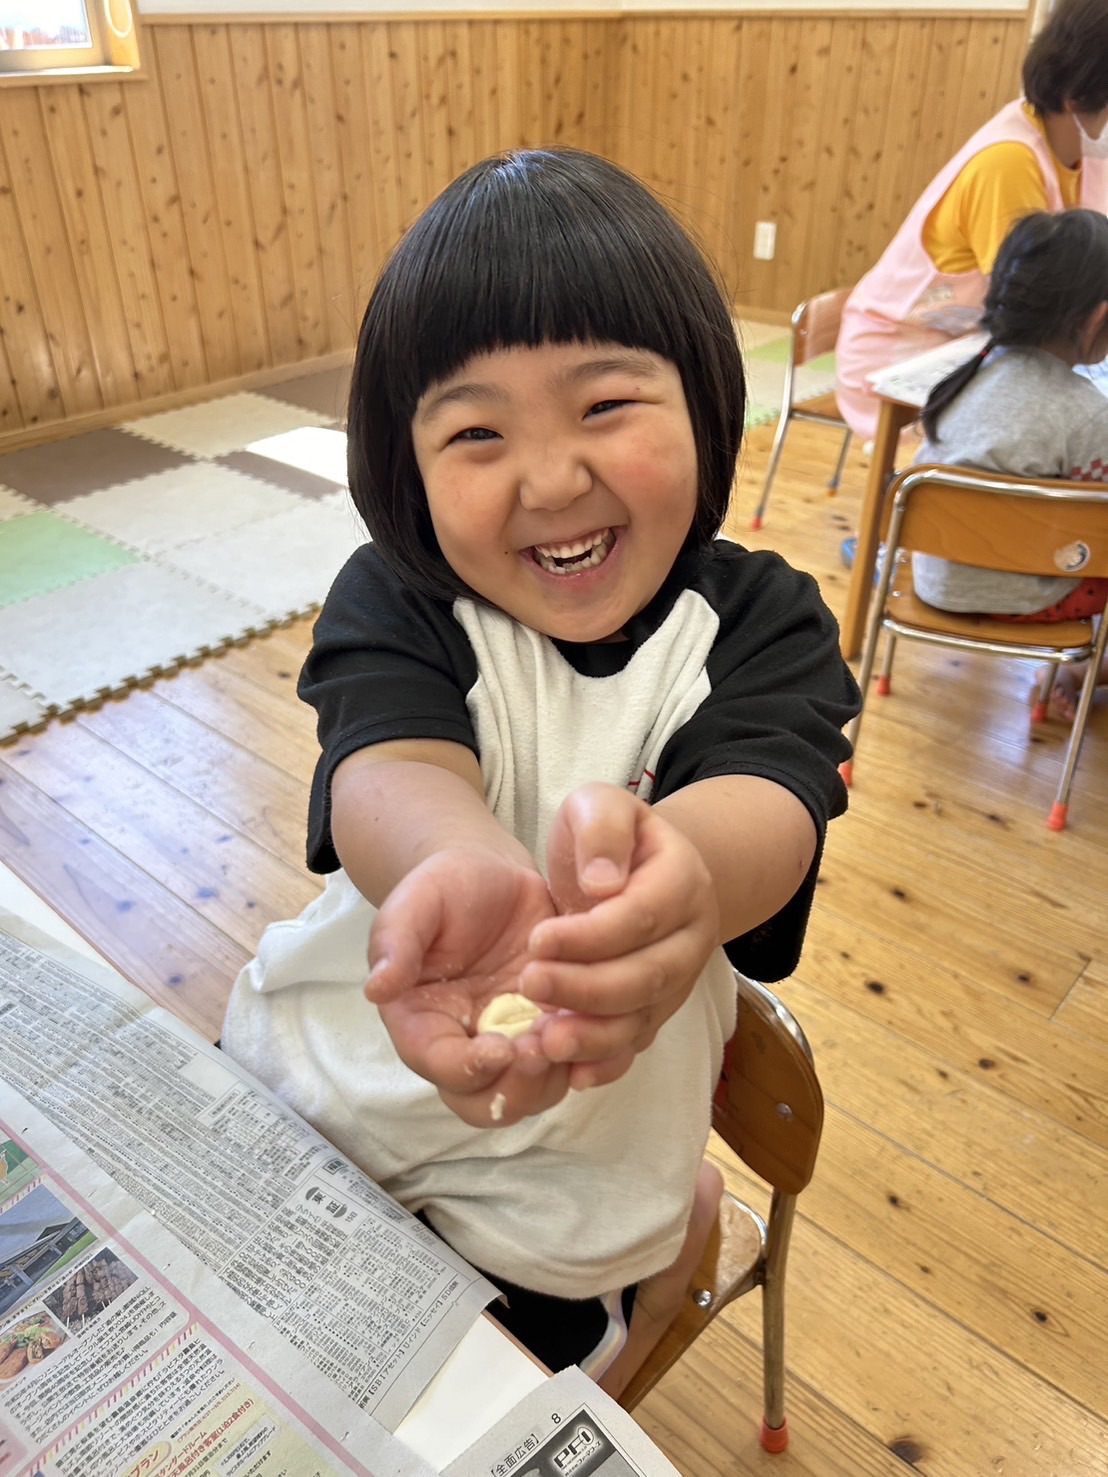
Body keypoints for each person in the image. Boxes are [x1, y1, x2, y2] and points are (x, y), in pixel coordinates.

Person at [221, 147, 860, 1394]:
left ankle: (656, 1272)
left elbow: (770, 797)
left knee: (495, 1406)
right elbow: (386, 764)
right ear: (406, 465)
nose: (551, 476)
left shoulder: (761, 623)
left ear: (707, 405)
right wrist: (458, 860)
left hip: (573, 1163)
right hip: (344, 1075)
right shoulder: (398, 598)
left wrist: (684, 875)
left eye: (605, 406)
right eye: (476, 431)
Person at [836, 0, 1108, 444]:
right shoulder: (1010, 163)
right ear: (1078, 96)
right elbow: (1032, 316)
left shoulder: (1084, 151)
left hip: (972, 341)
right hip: (902, 356)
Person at [912, 207, 1108, 717]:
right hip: (1028, 597)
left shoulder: (963, 379)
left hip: (934, 583)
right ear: (1097, 319)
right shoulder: (1086, 412)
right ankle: (1085, 668)